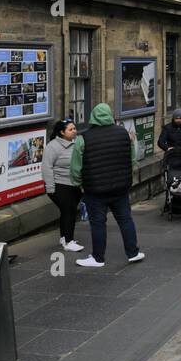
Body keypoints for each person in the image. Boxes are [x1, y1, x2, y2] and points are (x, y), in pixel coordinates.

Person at [71, 103, 145, 267]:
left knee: (98, 223)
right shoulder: (123, 134)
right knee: (125, 219)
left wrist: (79, 184)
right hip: (120, 187)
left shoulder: (83, 138)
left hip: (95, 189)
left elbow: (76, 167)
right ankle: (133, 252)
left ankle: (98, 258)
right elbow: (132, 159)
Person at [42, 119, 83, 252]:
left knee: (67, 211)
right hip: (60, 185)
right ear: (62, 132)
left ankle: (64, 237)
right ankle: (68, 241)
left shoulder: (77, 142)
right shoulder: (52, 146)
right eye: (70, 129)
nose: (74, 131)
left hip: (75, 185)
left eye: (75, 128)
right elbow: (46, 168)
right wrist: (50, 188)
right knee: (69, 211)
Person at [157, 108, 181, 180]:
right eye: (176, 118)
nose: (178, 120)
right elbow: (160, 141)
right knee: (174, 180)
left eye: (180, 118)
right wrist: (167, 148)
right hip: (173, 157)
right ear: (173, 119)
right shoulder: (167, 128)